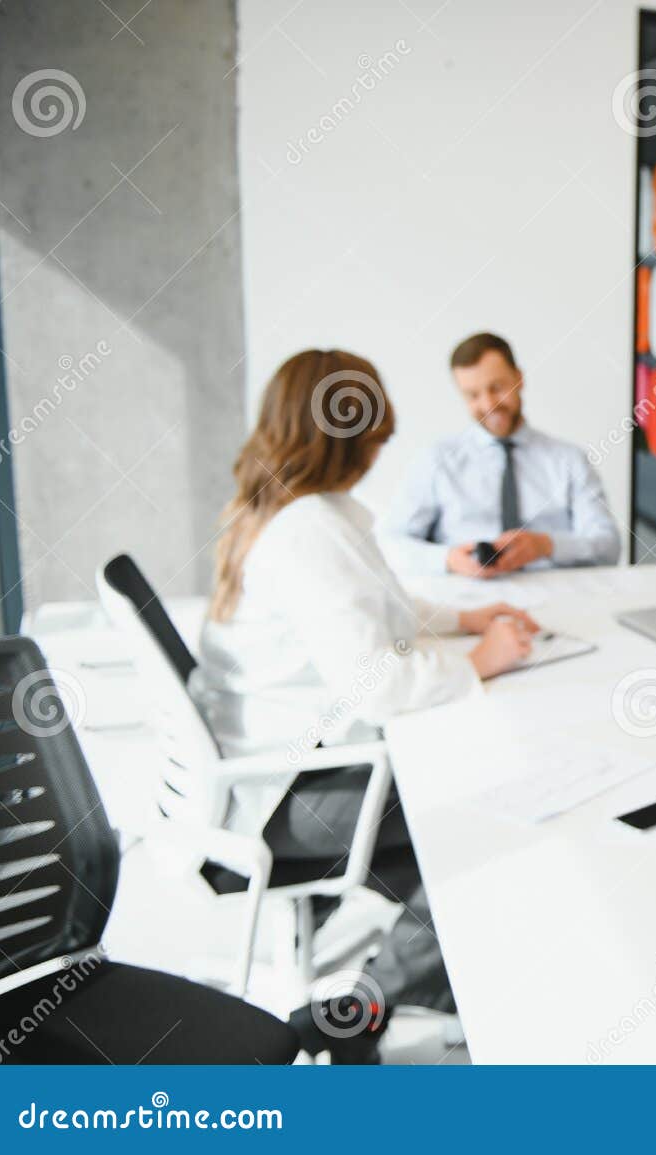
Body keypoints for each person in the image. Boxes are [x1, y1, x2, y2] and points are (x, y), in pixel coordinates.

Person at [196, 349, 538, 1061]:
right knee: (485, 846)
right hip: (291, 795)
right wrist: (483, 659)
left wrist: (460, 621)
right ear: (341, 441)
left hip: (277, 772)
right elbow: (377, 681)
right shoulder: (305, 531)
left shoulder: (288, 510)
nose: (381, 452)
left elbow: (374, 607)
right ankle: (354, 1012)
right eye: (375, 439)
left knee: (470, 878)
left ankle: (408, 986)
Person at [381, 332, 622, 577]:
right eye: (473, 395)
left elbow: (609, 547)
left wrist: (547, 545)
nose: (488, 405)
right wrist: (448, 559)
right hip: (467, 600)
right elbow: (390, 543)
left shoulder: (569, 460)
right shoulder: (437, 461)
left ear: (519, 379)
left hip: (556, 597)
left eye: (497, 388)